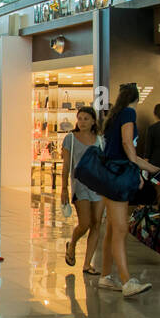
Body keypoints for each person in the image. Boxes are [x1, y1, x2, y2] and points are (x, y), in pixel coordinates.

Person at [95, 83, 160, 298]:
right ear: (137, 97)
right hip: (118, 175)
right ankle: (126, 281)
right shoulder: (129, 113)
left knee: (114, 228)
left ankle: (106, 275)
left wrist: (151, 169)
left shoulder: (114, 115)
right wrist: (137, 166)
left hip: (108, 173)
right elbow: (127, 143)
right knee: (120, 229)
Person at [60, 106, 103, 275]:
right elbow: (66, 166)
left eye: (86, 118)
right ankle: (72, 244)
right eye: (80, 118)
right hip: (80, 186)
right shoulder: (70, 138)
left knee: (97, 224)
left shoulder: (99, 139)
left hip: (99, 186)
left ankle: (87, 264)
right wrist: (63, 188)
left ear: (93, 121)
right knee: (85, 223)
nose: (82, 122)